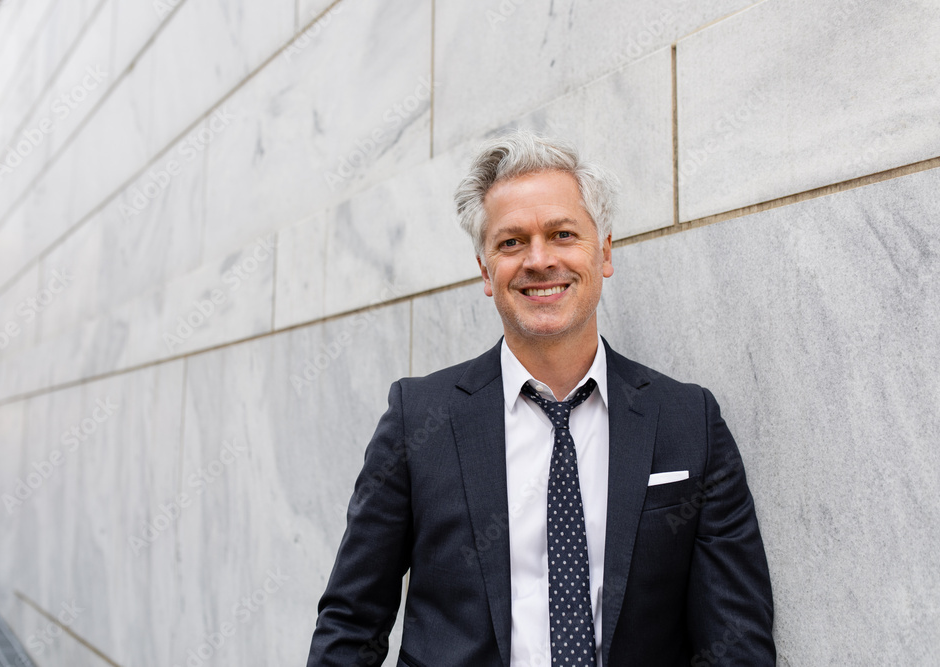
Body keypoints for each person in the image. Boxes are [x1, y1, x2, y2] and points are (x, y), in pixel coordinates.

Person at [307, 131, 775, 666]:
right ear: (486, 270)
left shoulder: (688, 420)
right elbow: (350, 623)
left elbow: (737, 639)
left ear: (603, 253)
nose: (538, 260)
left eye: (562, 234)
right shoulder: (419, 420)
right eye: (511, 242)